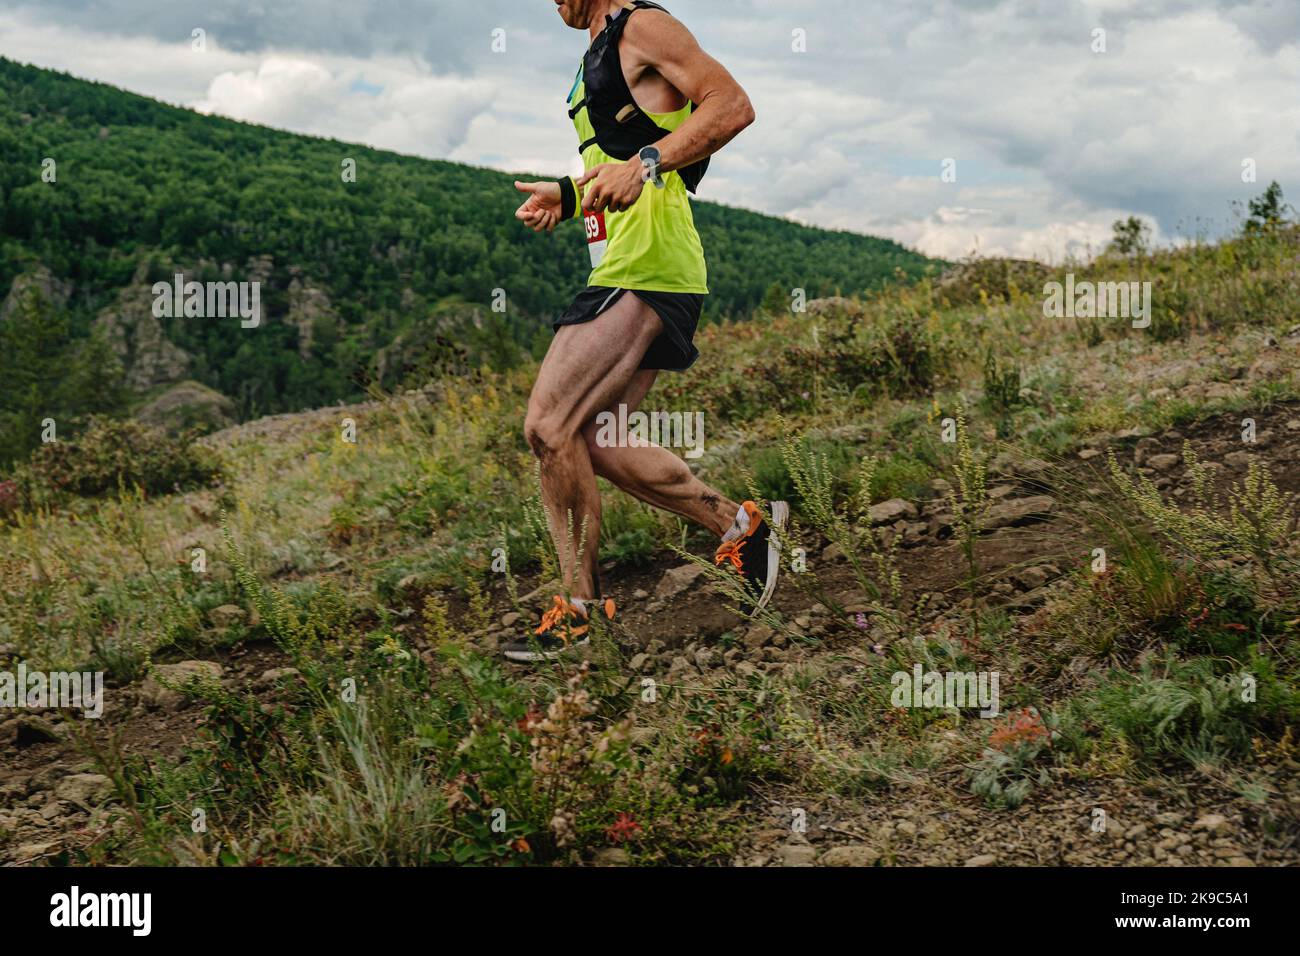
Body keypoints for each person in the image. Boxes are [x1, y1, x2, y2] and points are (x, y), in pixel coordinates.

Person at [503, 0, 786, 662]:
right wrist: (568, 197)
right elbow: (621, 162)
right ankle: (740, 526)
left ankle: (578, 613)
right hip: (635, 263)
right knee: (594, 442)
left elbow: (732, 106)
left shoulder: (641, 25)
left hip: (649, 264)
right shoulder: (599, 48)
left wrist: (649, 162)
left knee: (547, 425)